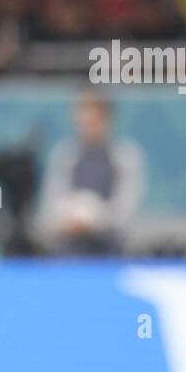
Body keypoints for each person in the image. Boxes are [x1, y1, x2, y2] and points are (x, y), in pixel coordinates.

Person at [38, 91, 145, 255]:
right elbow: (50, 207)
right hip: (68, 251)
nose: (87, 123)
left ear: (107, 118)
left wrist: (92, 219)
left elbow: (125, 210)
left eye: (94, 118)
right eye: (82, 116)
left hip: (110, 250)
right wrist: (69, 219)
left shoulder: (125, 156)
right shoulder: (65, 155)